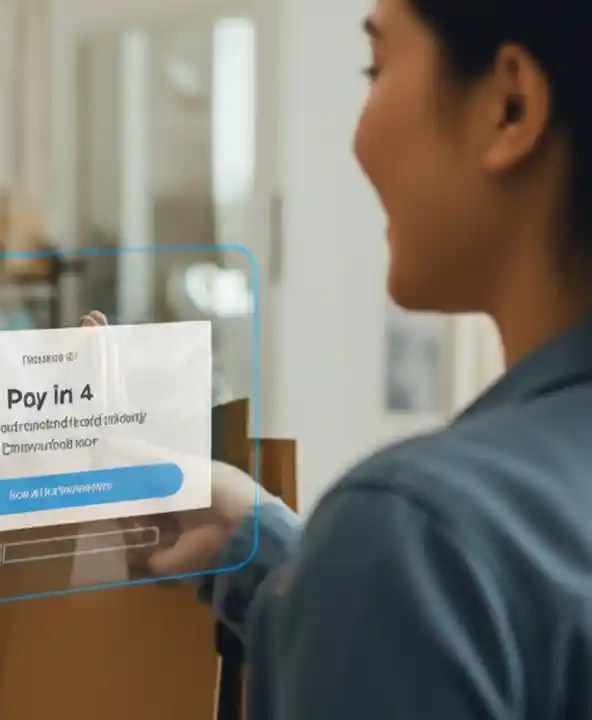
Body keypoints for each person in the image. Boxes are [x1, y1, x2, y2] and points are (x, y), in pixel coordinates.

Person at [126, 0, 592, 717]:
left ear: (510, 105)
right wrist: (289, 565)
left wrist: (371, 571)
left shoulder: (419, 537)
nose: (357, 140)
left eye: (376, 68)